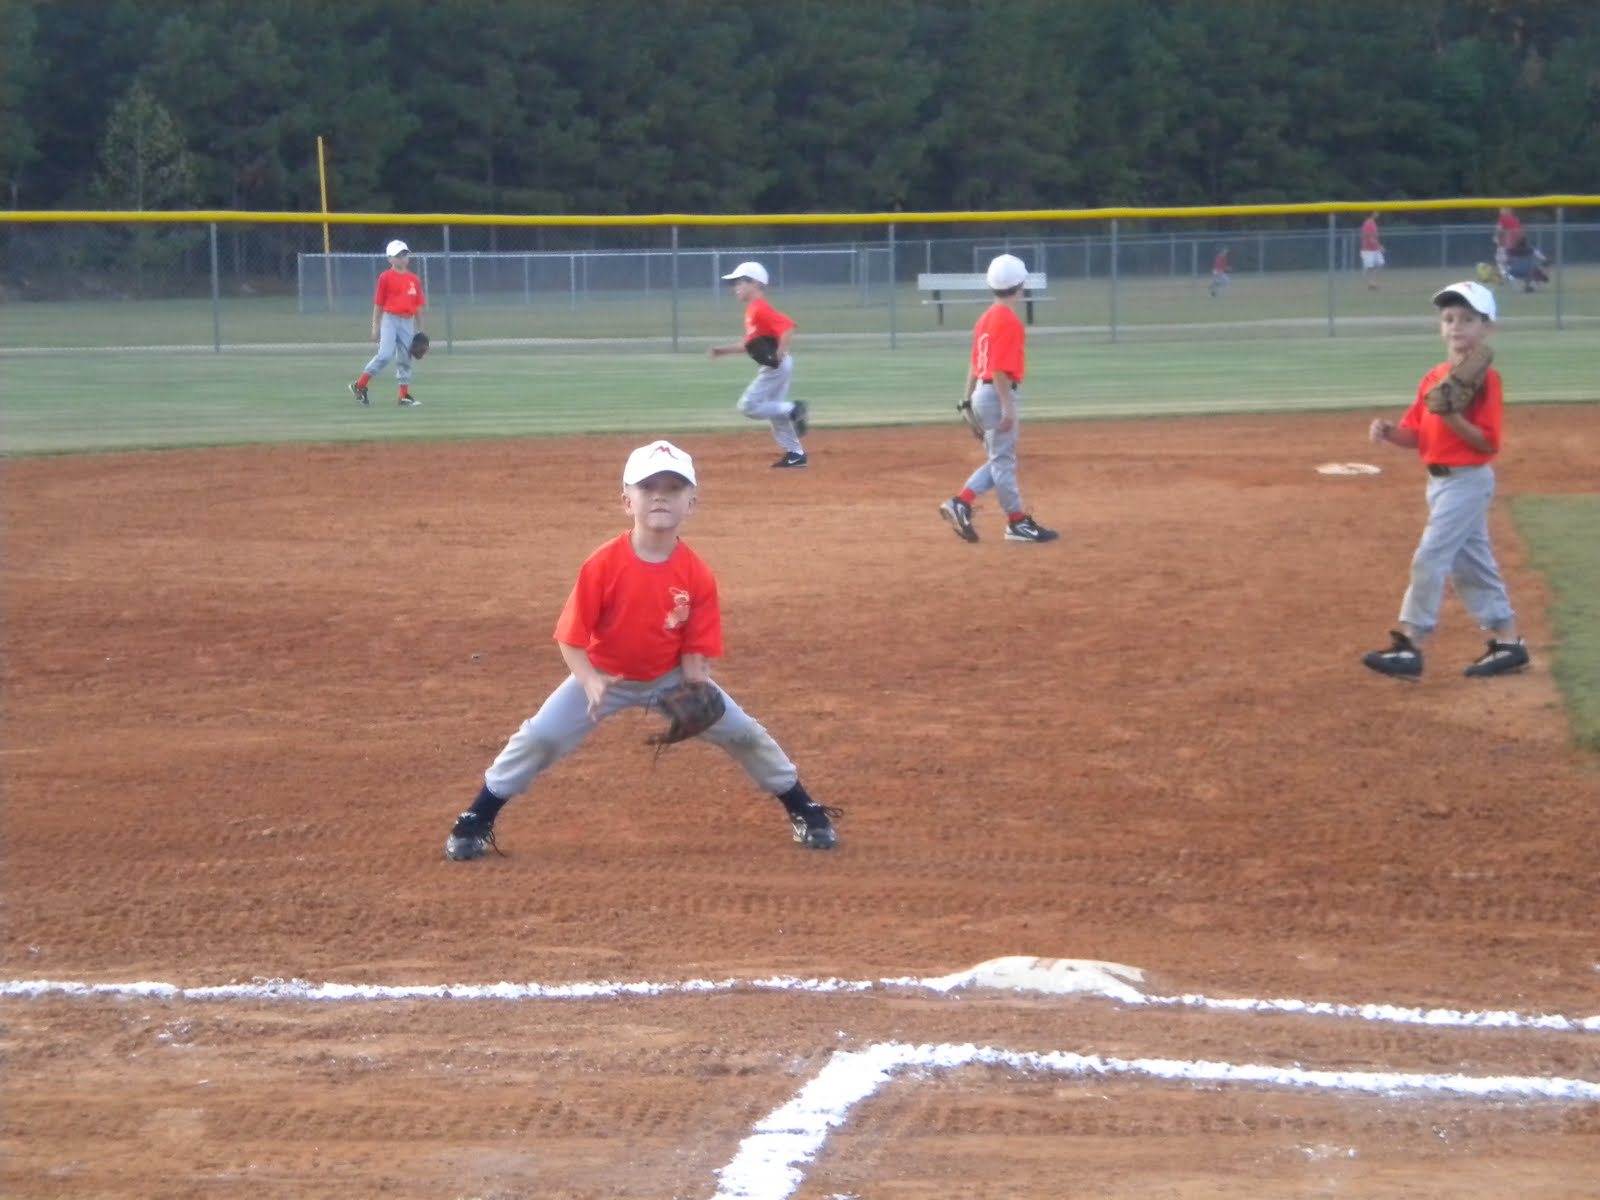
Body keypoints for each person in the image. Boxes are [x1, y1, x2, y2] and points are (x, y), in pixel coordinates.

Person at [443, 439, 840, 860]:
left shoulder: (697, 574)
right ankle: (477, 818)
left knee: (745, 734)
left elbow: (695, 649)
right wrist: (590, 680)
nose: (660, 496)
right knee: (540, 737)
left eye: (673, 488)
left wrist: (696, 690)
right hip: (603, 674)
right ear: (626, 501)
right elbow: (570, 638)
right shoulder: (603, 565)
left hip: (668, 677)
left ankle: (803, 807)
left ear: (692, 503)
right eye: (648, 487)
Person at [1361, 280, 1528, 681]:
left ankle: (1410, 643)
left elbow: (1487, 444)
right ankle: (1508, 643)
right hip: (1439, 483)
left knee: (1431, 557)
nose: (1456, 327)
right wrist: (1387, 432)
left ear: (1487, 328)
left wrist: (1452, 414)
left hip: (1468, 481)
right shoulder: (1434, 377)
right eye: (1449, 318)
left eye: (1468, 319)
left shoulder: (1487, 382)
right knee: (1473, 566)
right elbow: (1416, 435)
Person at [937, 254, 1059, 545]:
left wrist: (966, 400)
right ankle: (1016, 523)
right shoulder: (1009, 321)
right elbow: (999, 368)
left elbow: (975, 362)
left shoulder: (987, 317)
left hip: (982, 392)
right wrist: (1006, 407)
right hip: (996, 393)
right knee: (1003, 462)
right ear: (1019, 285)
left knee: (998, 459)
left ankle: (962, 502)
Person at [707, 261, 808, 468]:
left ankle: (794, 408)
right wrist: (723, 351)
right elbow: (750, 344)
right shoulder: (753, 311)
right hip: (779, 366)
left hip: (776, 366)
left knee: (748, 406)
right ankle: (796, 454)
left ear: (754, 283)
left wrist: (780, 354)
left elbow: (788, 326)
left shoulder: (759, 308)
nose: (736, 288)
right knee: (775, 413)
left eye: (739, 283)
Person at [349, 239, 425, 407]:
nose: (402, 258)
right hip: (390, 319)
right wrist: (375, 326)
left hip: (407, 321)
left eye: (404, 254)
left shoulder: (414, 279)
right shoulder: (385, 277)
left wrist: (420, 331)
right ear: (389, 259)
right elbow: (379, 304)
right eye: (398, 255)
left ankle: (403, 396)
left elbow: (418, 306)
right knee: (384, 355)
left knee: (405, 358)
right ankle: (360, 385)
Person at [1492, 207, 1523, 284]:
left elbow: (1499, 229)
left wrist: (1496, 237)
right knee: (1509, 261)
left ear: (1507, 211)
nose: (1500, 211)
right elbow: (1520, 231)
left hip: (1504, 244)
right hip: (1515, 244)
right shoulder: (1515, 219)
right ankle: (1509, 276)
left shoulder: (1502, 219)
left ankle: (1507, 277)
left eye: (1502, 209)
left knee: (1500, 260)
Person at [1359, 213, 1385, 289]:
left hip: (1375, 249)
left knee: (1381, 263)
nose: (1378, 213)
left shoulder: (1373, 223)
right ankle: (1369, 284)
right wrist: (1380, 246)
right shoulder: (1367, 223)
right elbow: (1370, 239)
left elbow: (1374, 237)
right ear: (1372, 214)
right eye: (1376, 212)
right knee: (1367, 268)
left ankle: (1373, 282)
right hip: (1367, 250)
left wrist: (1378, 247)